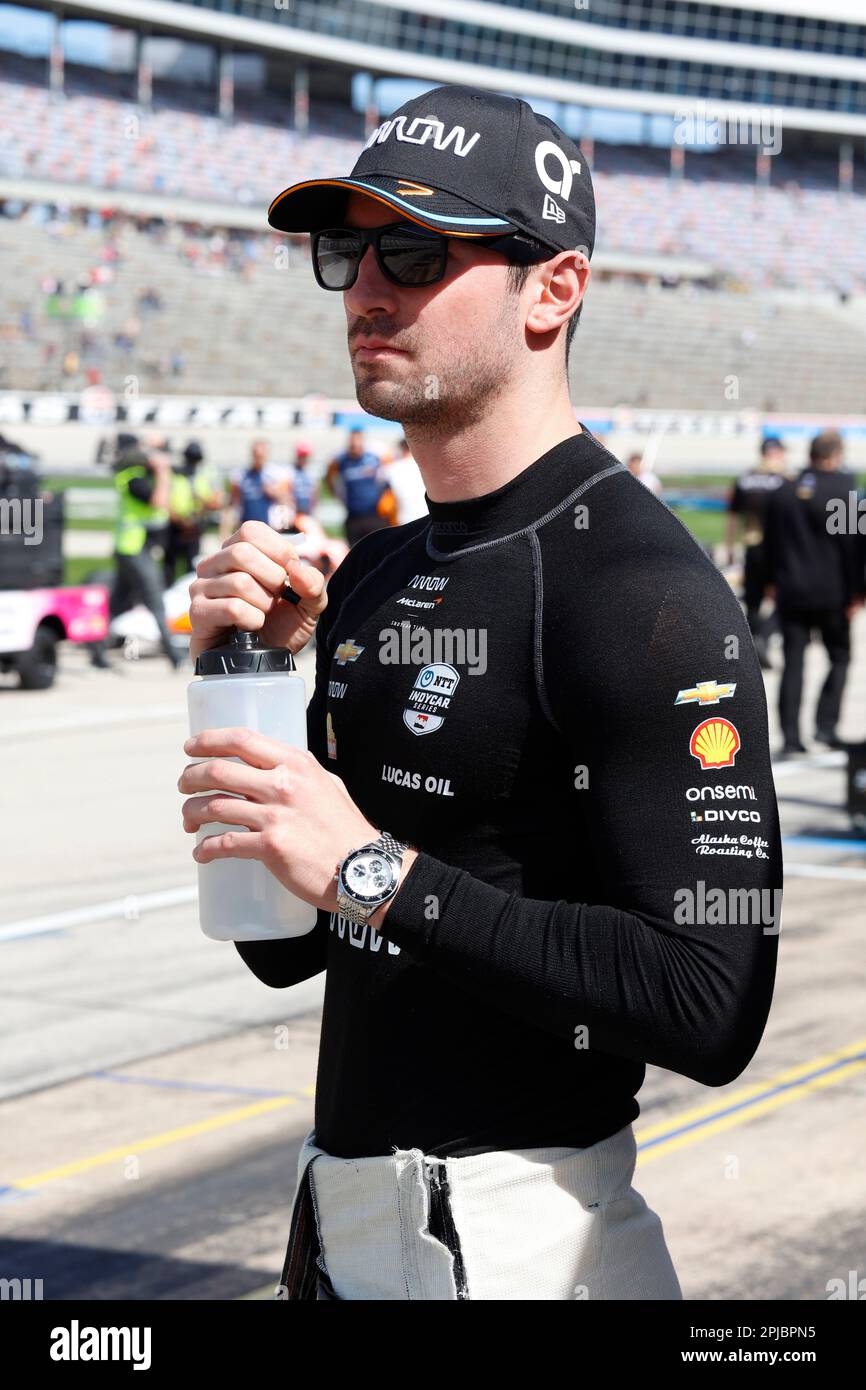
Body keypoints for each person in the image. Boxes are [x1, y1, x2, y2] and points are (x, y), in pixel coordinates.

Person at [182, 84, 781, 1301]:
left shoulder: (641, 590)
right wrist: (240, 671)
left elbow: (708, 999)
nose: (364, 286)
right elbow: (285, 949)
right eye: (344, 250)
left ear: (551, 289)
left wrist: (370, 869)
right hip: (341, 1224)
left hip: (526, 1244)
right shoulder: (380, 571)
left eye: (411, 248)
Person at [763, 429, 864, 753]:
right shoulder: (844, 490)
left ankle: (791, 736)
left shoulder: (784, 490)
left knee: (794, 661)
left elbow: (769, 546)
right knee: (840, 657)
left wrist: (767, 584)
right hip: (833, 593)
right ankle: (825, 725)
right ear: (835, 455)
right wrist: (858, 592)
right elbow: (854, 548)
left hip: (791, 590)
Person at [91, 433, 183, 670]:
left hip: (130, 549)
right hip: (134, 549)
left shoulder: (137, 475)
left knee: (117, 603)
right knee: (155, 599)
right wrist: (163, 471)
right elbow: (158, 502)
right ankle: (173, 653)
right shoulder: (132, 478)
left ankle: (97, 651)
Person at [725, 437, 788, 669]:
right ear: (776, 453)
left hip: (752, 546)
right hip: (779, 549)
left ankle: (751, 649)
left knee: (753, 601)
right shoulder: (785, 479)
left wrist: (730, 546)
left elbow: (732, 515)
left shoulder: (746, 479)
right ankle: (763, 636)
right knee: (784, 599)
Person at [326, 427, 388, 545]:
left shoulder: (373, 458)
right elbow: (329, 477)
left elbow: (387, 476)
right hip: (353, 515)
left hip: (374, 514)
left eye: (358, 443)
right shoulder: (341, 461)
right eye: (352, 444)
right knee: (355, 552)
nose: (355, 446)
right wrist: (335, 494)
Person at [229, 438, 287, 529]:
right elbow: (232, 503)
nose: (258, 458)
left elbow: (284, 502)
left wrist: (283, 527)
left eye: (261, 455)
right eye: (256, 455)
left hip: (269, 526)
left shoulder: (276, 475)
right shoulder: (241, 475)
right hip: (245, 526)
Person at [379, 437, 429, 525]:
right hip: (427, 517)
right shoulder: (426, 466)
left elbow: (379, 480)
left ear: (401, 449)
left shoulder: (392, 468)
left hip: (403, 519)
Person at [289, 440, 319, 521]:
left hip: (307, 515)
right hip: (293, 516)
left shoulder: (311, 474)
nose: (304, 458)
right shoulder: (290, 472)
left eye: (305, 456)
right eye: (301, 456)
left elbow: (315, 496)